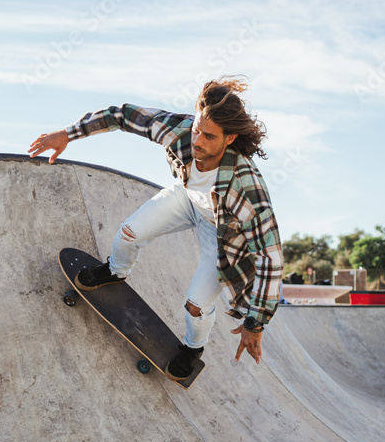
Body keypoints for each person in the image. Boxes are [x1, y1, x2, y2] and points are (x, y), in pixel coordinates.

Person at [28, 77, 283, 381]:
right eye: (197, 129)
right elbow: (121, 115)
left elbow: (271, 258)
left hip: (223, 234)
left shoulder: (246, 187)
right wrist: (68, 134)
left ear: (229, 139)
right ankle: (116, 271)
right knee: (128, 232)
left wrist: (256, 324)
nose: (197, 141)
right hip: (187, 198)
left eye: (209, 137)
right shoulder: (179, 131)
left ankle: (193, 348)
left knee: (196, 306)